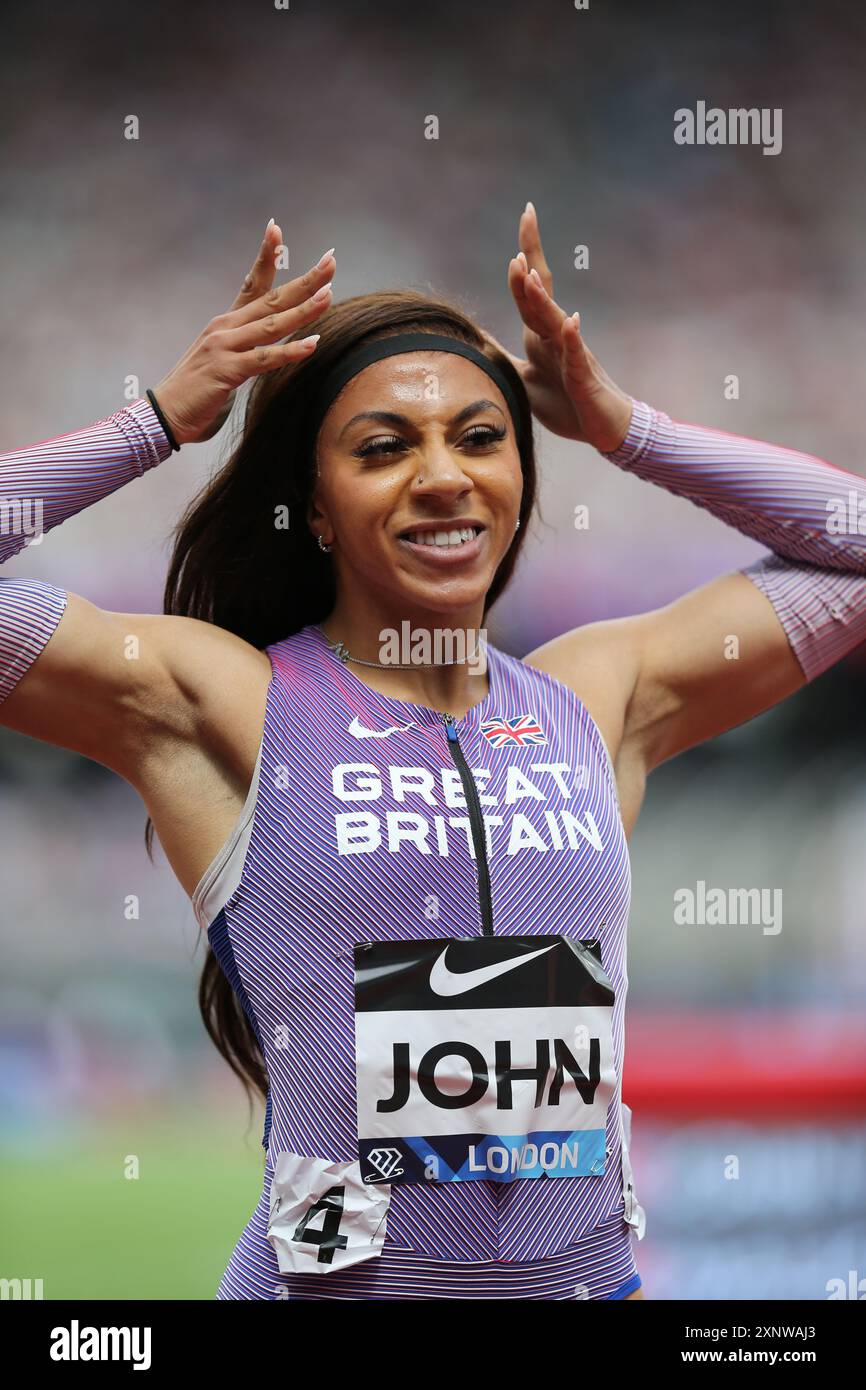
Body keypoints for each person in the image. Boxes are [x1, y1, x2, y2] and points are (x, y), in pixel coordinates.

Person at [2, 207, 865, 1301]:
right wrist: (161, 420)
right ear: (313, 506)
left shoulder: (595, 697)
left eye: (478, 437)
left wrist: (622, 428)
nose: (443, 476)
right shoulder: (221, 701)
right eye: (382, 448)